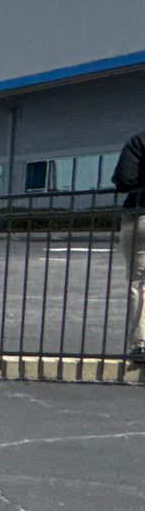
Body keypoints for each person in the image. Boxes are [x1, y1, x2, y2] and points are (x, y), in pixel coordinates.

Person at [109, 131, 145, 364]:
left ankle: (140, 343)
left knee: (139, 280)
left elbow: (124, 179)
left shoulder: (138, 141)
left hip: (139, 214)